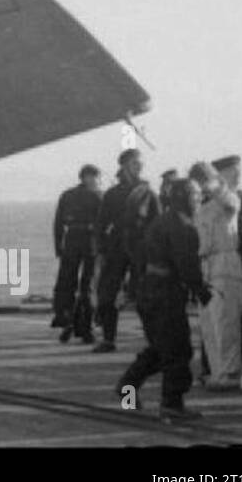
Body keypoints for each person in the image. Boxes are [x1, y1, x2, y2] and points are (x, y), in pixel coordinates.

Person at [117, 178, 211, 421]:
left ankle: (127, 388)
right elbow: (187, 264)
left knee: (160, 349)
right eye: (196, 195)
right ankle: (172, 404)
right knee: (178, 351)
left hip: (149, 291)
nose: (200, 200)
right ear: (184, 198)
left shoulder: (161, 221)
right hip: (165, 294)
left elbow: (139, 255)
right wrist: (202, 292)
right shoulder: (182, 226)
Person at [93, 148, 159, 353]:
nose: (139, 167)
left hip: (141, 249)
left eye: (140, 163)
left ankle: (153, 341)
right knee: (107, 295)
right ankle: (108, 339)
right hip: (116, 248)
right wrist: (101, 251)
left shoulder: (148, 193)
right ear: (124, 166)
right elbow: (101, 224)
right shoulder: (112, 194)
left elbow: (158, 223)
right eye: (134, 163)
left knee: (144, 296)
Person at [190, 161, 242, 390]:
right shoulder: (202, 208)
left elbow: (229, 202)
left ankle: (230, 373)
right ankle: (217, 372)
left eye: (203, 180)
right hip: (207, 267)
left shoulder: (228, 199)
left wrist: (212, 182)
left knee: (226, 322)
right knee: (209, 325)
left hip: (225, 263)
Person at [213, 155, 242, 387]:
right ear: (220, 175)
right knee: (220, 319)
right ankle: (215, 367)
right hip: (223, 266)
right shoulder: (211, 201)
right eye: (232, 171)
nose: (238, 175)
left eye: (239, 171)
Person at [51, 164, 102, 343]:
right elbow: (103, 224)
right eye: (95, 177)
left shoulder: (67, 195)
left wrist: (58, 246)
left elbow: (58, 223)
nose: (96, 180)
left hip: (71, 241)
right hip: (90, 243)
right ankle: (86, 328)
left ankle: (67, 322)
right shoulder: (98, 196)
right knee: (88, 286)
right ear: (89, 177)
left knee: (67, 284)